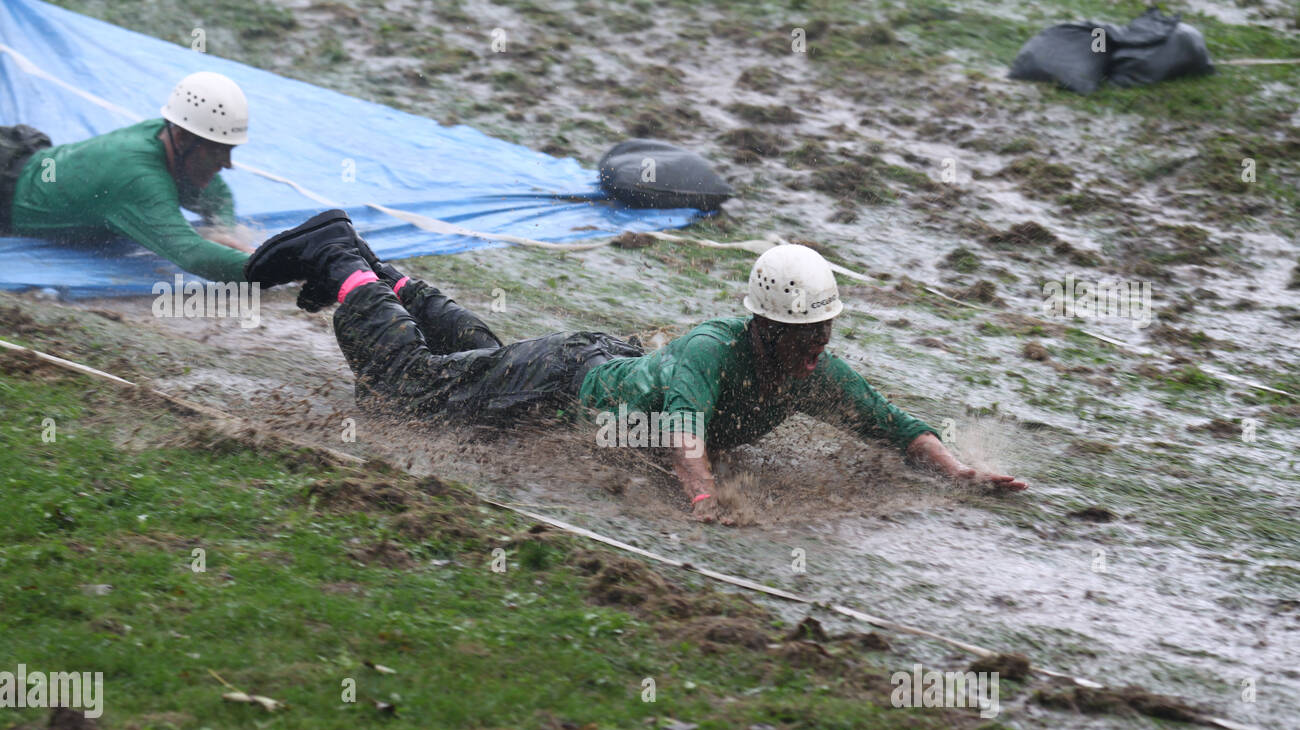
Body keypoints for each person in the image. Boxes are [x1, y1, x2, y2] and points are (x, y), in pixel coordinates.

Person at [245, 210, 1027, 523]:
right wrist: (703, 495)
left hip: (587, 366)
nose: (817, 347)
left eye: (824, 330)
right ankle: (340, 256)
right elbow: (685, 429)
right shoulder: (711, 350)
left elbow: (893, 425)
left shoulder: (814, 371)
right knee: (411, 395)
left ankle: (387, 279)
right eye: (803, 334)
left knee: (466, 364)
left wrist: (957, 473)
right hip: (562, 384)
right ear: (765, 328)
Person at [0, 71, 253, 280]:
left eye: (229, 150)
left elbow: (218, 196)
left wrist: (224, 231)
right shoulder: (138, 178)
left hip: (25, 156)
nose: (227, 164)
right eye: (217, 151)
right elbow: (193, 255)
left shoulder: (168, 139)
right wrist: (273, 267)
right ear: (182, 137)